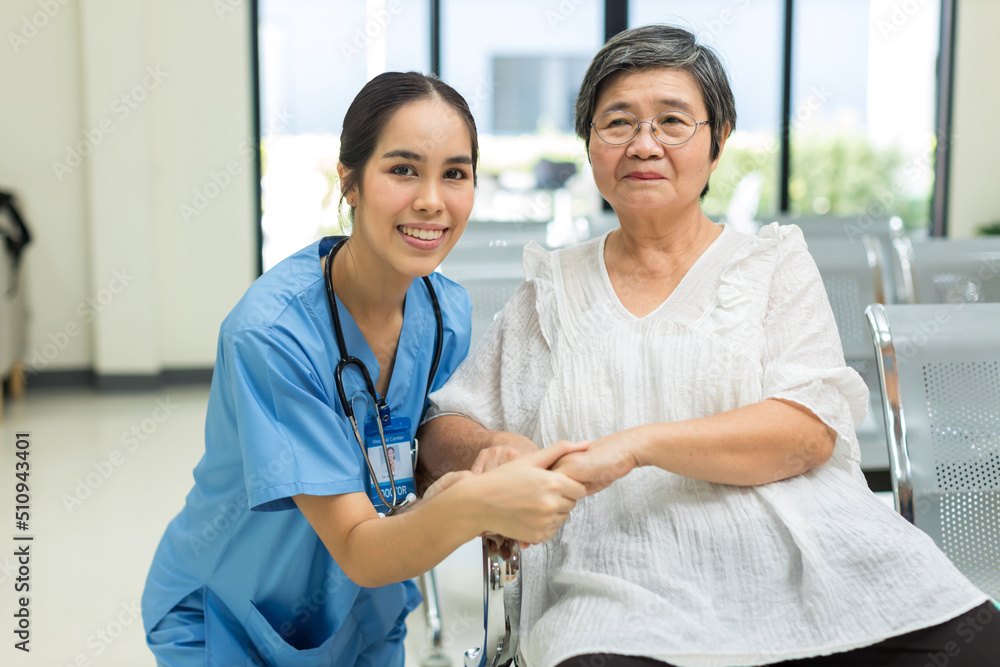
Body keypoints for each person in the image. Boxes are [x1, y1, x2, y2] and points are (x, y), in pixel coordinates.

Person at [418, 25, 999, 667]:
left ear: (717, 144)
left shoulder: (772, 265)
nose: (645, 144)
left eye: (673, 121)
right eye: (617, 123)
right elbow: (445, 424)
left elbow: (806, 433)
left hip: (814, 561)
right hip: (620, 579)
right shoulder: (551, 290)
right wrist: (493, 446)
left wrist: (635, 447)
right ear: (590, 145)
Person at [141, 71, 586, 667]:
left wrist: (489, 447)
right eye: (403, 169)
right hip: (230, 617)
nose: (432, 199)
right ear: (348, 181)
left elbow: (409, 437)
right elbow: (357, 544)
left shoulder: (442, 309)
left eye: (454, 173)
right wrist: (475, 505)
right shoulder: (273, 336)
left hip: (361, 612)